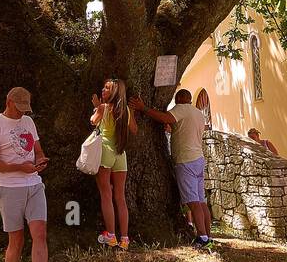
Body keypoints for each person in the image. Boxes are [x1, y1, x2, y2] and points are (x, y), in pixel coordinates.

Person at [0, 86, 57, 262]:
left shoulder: (28, 122)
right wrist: (18, 167)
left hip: (33, 184)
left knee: (40, 233)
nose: (22, 113)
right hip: (10, 187)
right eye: (19, 107)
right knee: (16, 239)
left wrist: (40, 160)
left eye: (26, 108)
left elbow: (37, 150)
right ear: (9, 102)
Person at [131, 88, 214, 251]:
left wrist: (143, 108)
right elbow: (181, 127)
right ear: (190, 99)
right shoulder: (197, 113)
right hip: (198, 158)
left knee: (193, 202)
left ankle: (202, 237)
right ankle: (209, 236)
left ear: (178, 100)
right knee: (201, 201)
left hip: (186, 160)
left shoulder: (181, 109)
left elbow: (165, 118)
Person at [90, 78, 137, 250]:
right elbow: (134, 129)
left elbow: (92, 121)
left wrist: (97, 107)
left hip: (105, 151)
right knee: (120, 197)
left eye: (107, 88)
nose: (103, 90)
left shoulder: (103, 108)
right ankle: (124, 238)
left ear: (114, 92)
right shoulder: (125, 110)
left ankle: (111, 235)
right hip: (120, 153)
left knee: (106, 195)